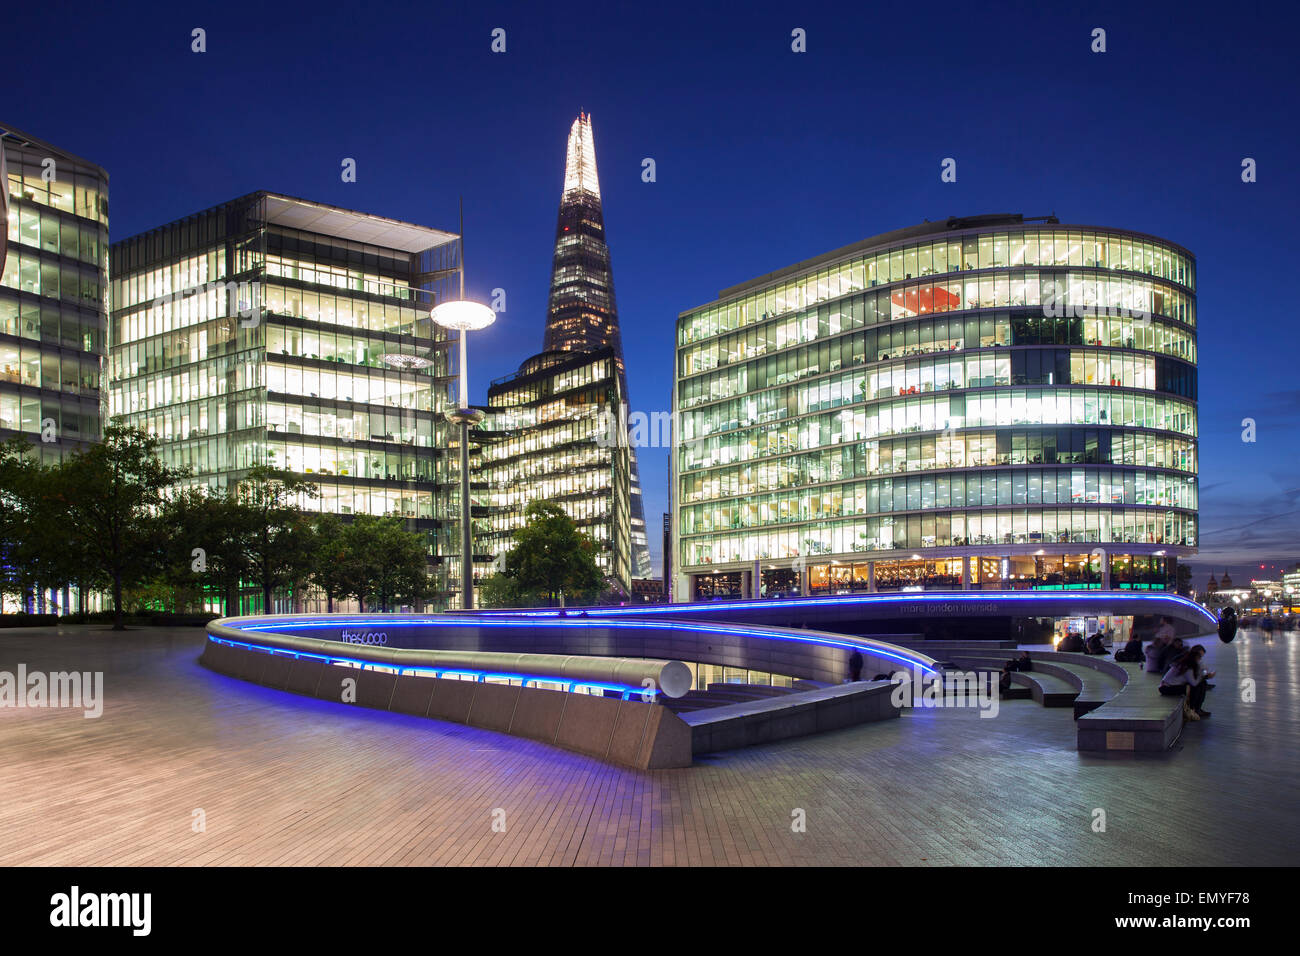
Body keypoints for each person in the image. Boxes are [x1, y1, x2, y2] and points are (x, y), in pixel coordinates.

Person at [1158, 646, 1214, 720]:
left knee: (1202, 683)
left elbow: (1203, 669)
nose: (1200, 659)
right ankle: (1192, 708)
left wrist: (1204, 676)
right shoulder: (1186, 667)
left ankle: (1197, 708)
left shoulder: (1188, 663)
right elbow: (1194, 683)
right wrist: (1204, 676)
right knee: (1195, 687)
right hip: (1166, 688)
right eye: (1199, 657)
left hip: (1172, 686)